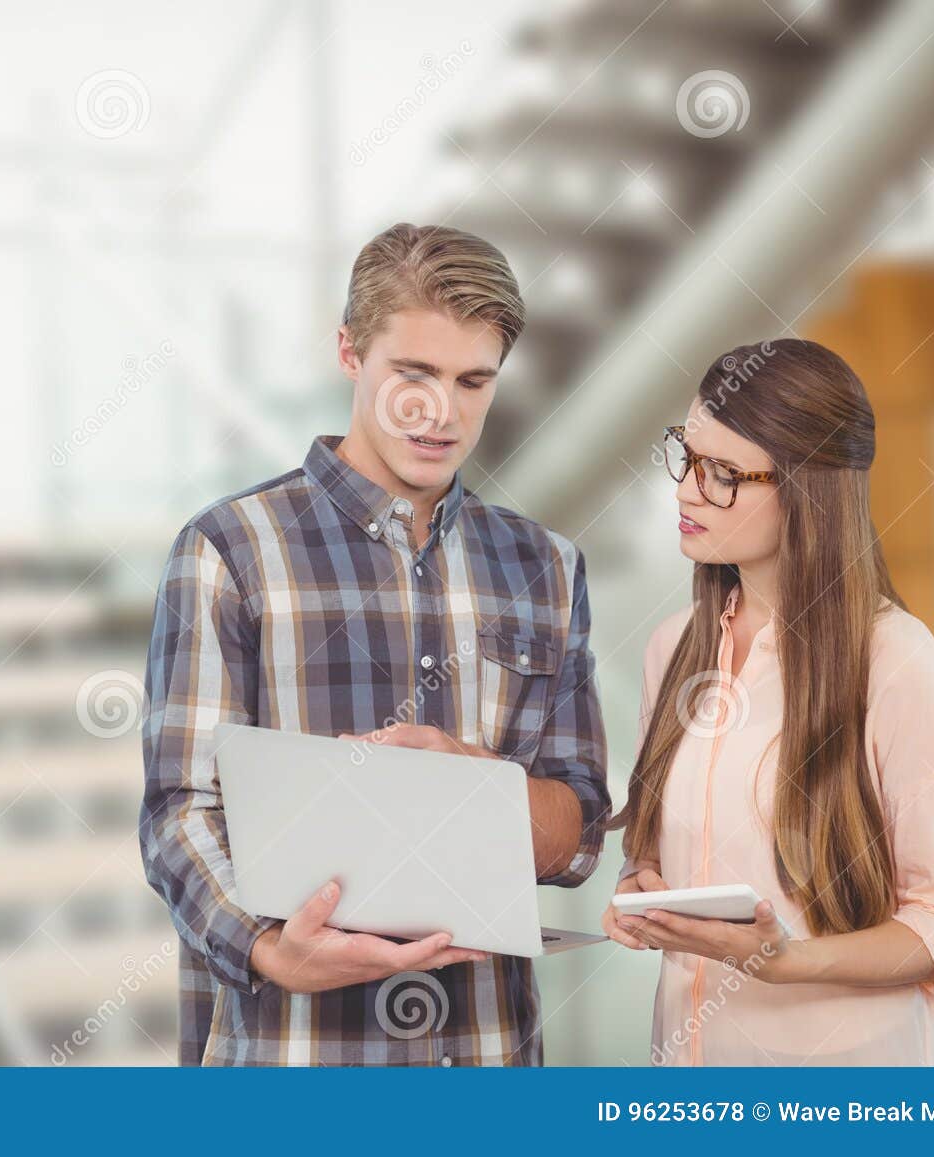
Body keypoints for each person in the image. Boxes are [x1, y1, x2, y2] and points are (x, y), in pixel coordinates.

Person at [139, 223, 610, 1066]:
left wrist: (478, 781)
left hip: (488, 1058)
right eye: (414, 374)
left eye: (474, 381)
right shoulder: (230, 551)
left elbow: (578, 831)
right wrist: (269, 946)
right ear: (350, 352)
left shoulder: (546, 567)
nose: (443, 412)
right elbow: (178, 811)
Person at [602, 338, 934, 1065]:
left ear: (808, 491)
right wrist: (644, 887)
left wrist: (782, 958)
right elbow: (663, 849)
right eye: (686, 457)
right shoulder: (675, 648)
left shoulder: (900, 666)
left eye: (723, 474)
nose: (687, 490)